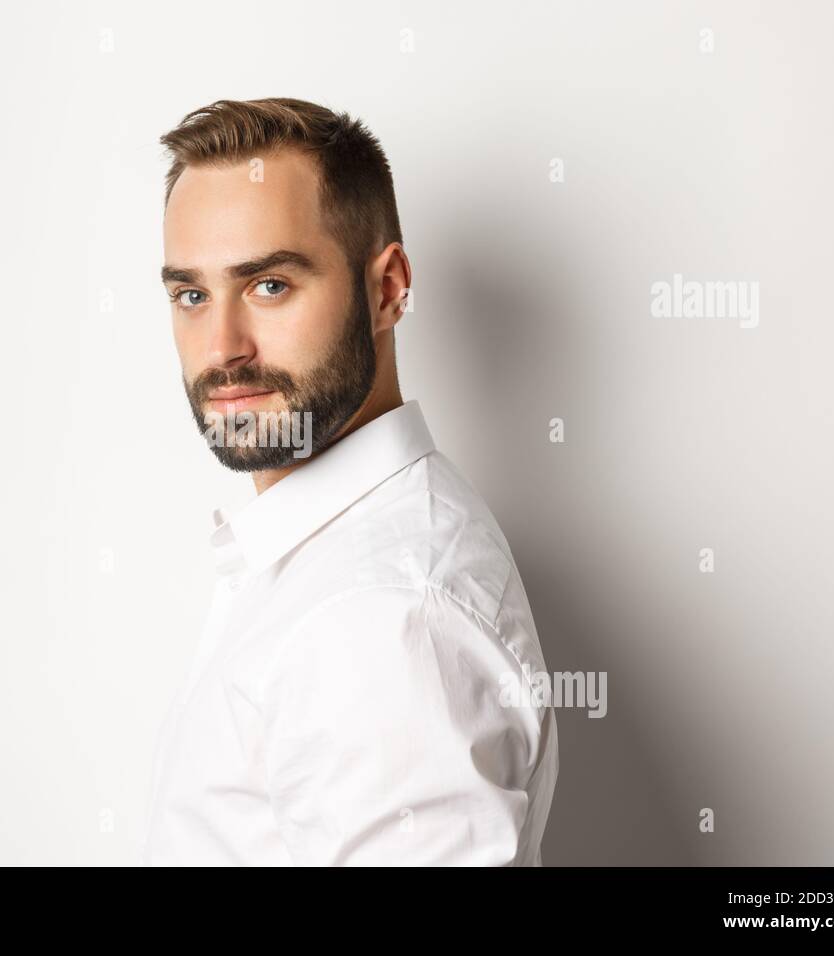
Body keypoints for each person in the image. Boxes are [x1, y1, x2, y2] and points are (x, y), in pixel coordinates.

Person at [144, 97, 558, 865]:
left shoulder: (381, 617)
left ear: (387, 289)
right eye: (192, 295)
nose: (222, 348)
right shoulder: (330, 564)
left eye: (269, 284)